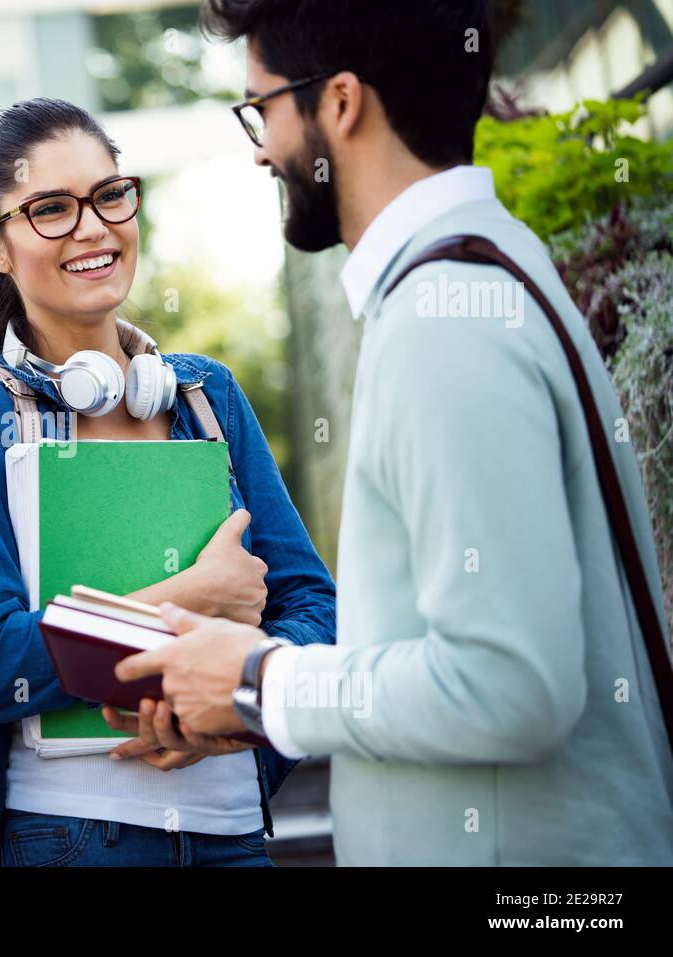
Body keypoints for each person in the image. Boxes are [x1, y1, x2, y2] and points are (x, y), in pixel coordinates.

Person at [113, 0, 673, 865]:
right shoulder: (488, 269)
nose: (259, 147)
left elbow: (511, 685)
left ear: (339, 102)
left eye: (263, 106)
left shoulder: (442, 322)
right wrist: (254, 703)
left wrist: (262, 680)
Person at [0, 97, 336, 866]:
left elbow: (312, 603)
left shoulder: (204, 395)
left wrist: (233, 706)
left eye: (110, 194)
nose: (92, 226)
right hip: (73, 837)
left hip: (232, 829)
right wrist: (190, 596)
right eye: (50, 208)